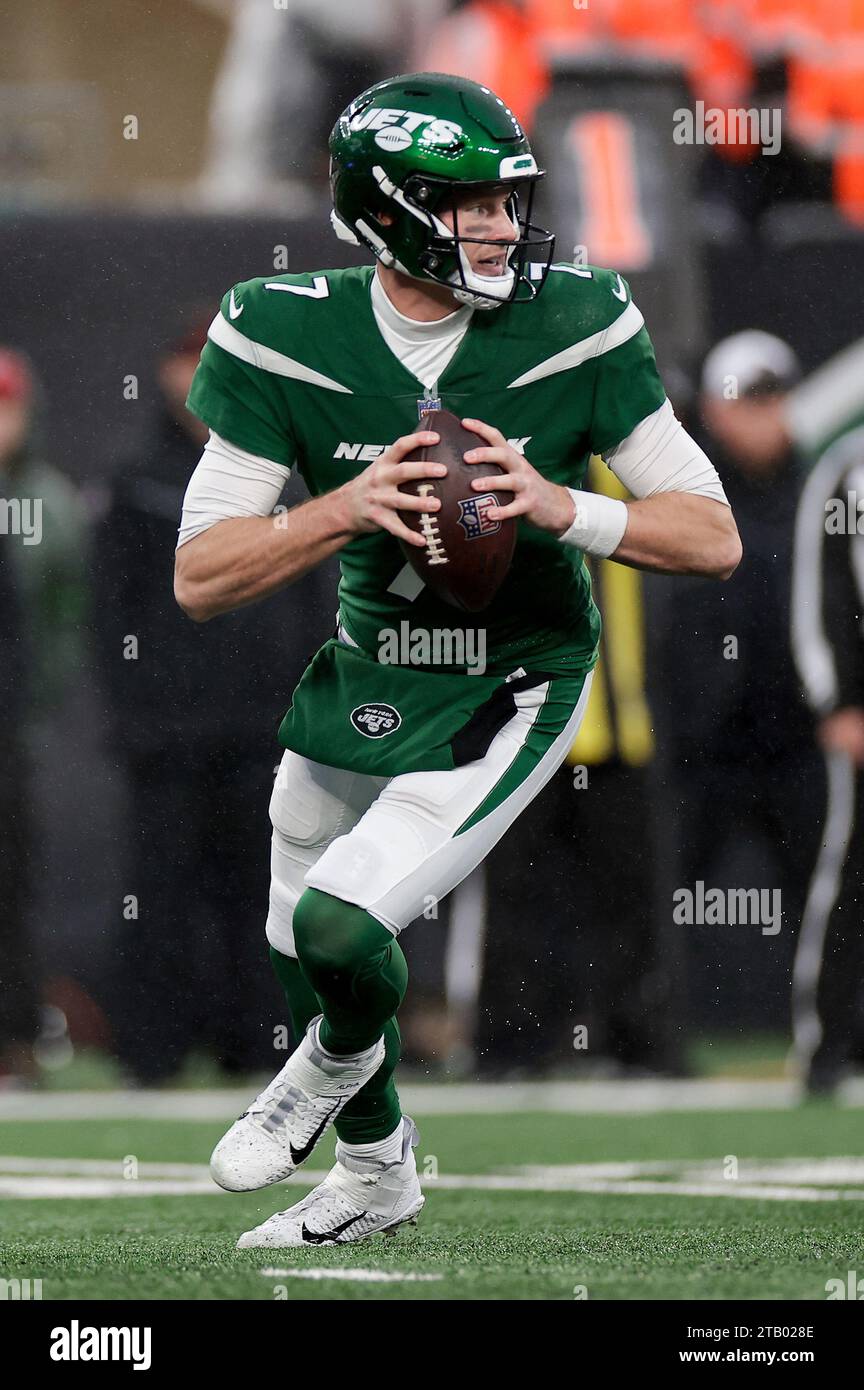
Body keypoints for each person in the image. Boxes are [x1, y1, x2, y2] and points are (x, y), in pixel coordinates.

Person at [174, 72, 740, 1248]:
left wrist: (562, 507)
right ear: (387, 206)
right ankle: (378, 1174)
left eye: (508, 200)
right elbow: (201, 572)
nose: (499, 224)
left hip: (516, 677)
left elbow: (711, 533)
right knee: (294, 931)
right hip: (372, 666)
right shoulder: (284, 327)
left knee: (340, 929)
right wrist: (345, 507)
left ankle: (321, 1072)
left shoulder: (577, 319)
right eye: (468, 201)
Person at [791, 422, 864, 1095]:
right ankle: (828, 1042)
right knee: (852, 868)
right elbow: (824, 597)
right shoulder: (847, 471)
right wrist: (837, 701)